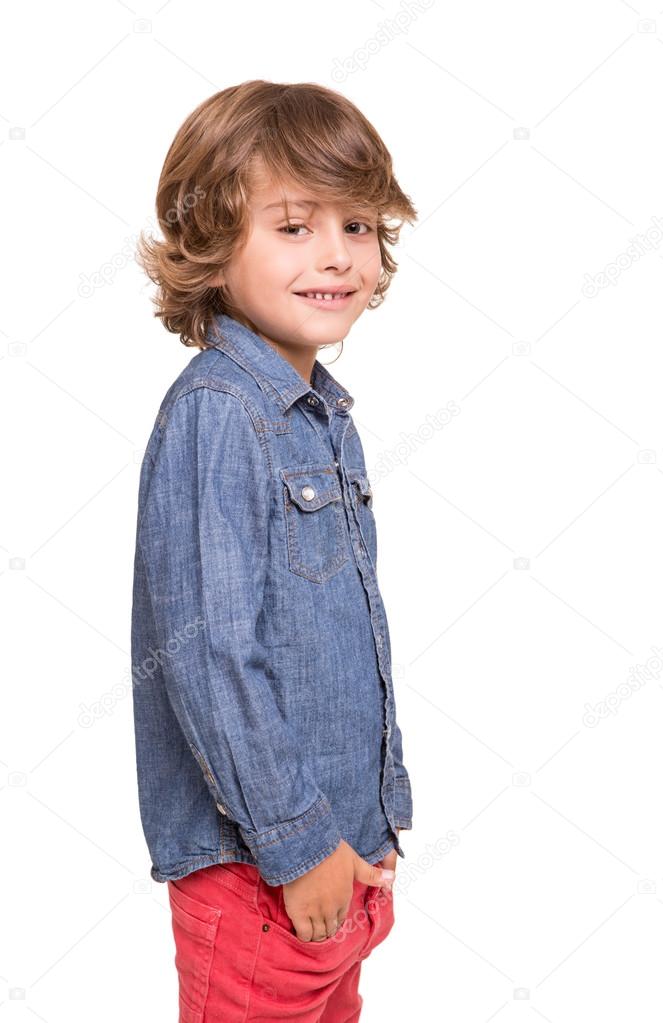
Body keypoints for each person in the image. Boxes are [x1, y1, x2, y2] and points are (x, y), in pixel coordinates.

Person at [131, 79, 417, 1022]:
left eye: (359, 226)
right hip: (264, 878)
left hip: (340, 866)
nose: (337, 255)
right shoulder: (221, 412)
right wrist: (298, 845)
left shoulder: (323, 419)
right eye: (294, 227)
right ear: (212, 244)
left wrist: (367, 823)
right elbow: (211, 655)